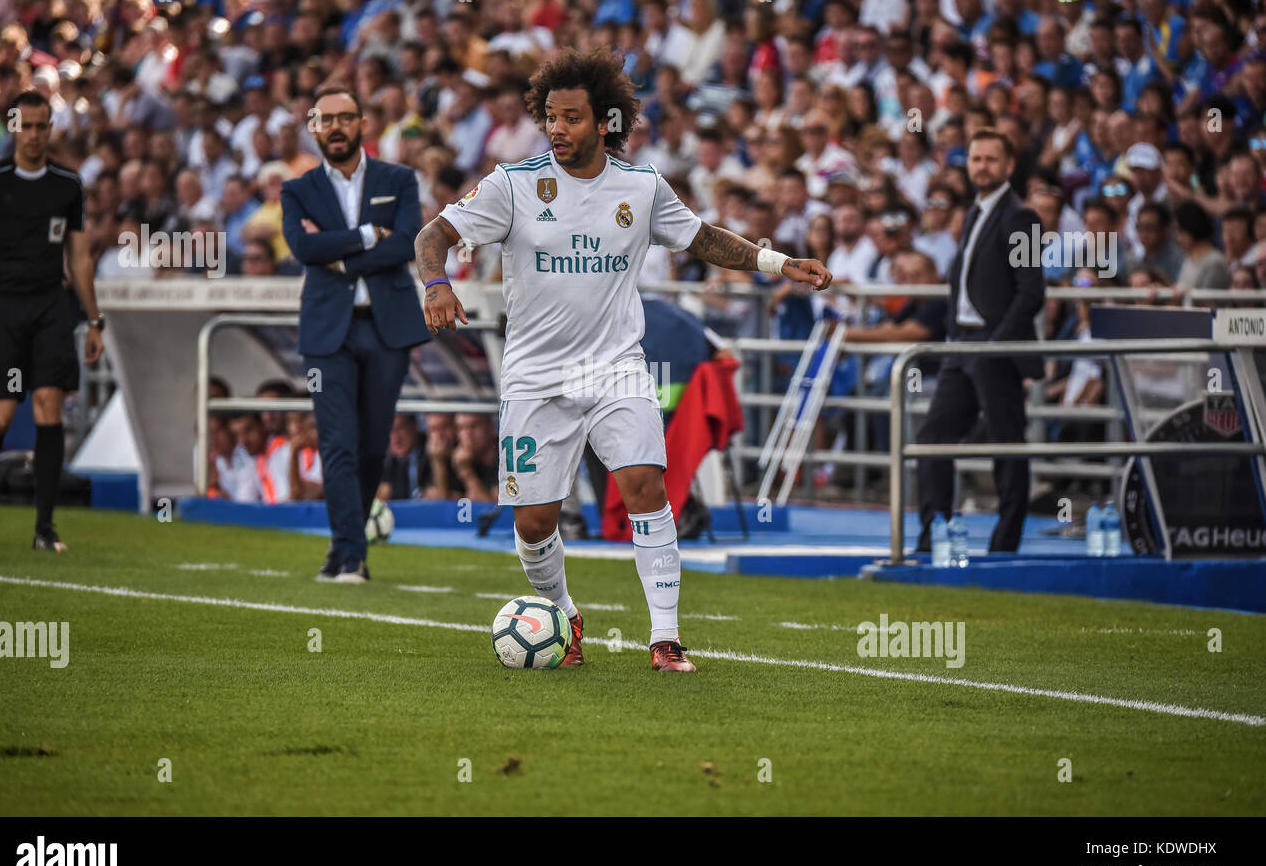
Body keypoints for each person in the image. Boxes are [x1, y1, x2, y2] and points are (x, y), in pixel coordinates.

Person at [415, 48, 831, 672]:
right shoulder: (513, 184)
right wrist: (435, 283)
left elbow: (703, 238)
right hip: (534, 376)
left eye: (572, 118)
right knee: (532, 522)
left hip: (614, 367)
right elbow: (433, 236)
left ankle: (665, 639)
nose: (557, 129)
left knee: (643, 485)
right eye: (551, 116)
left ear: (605, 121)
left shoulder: (641, 187)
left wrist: (777, 263)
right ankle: (565, 617)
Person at [281, 86, 429, 583]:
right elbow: (302, 248)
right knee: (337, 443)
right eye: (328, 119)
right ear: (314, 126)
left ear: (363, 123)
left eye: (347, 117)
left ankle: (343, 543)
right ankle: (351, 556)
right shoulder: (297, 189)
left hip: (387, 331)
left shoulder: (399, 179)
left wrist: (336, 253)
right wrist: (368, 236)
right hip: (328, 336)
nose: (338, 127)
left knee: (371, 447)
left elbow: (409, 243)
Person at [0, 90, 104, 551]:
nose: (34, 135)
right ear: (13, 128)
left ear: (51, 128)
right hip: (2, 308)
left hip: (50, 307)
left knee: (49, 405)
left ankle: (44, 529)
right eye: (26, 126)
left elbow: (79, 256)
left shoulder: (68, 184)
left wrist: (95, 320)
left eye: (42, 126)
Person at [914, 128, 1045, 555]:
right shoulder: (973, 212)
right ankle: (936, 532)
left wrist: (998, 344)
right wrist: (956, 333)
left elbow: (1032, 292)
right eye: (975, 159)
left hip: (993, 346)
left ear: (1008, 166)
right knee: (933, 437)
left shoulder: (1021, 216)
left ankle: (1005, 543)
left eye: (990, 159)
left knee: (1007, 443)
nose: (981, 167)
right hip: (962, 343)